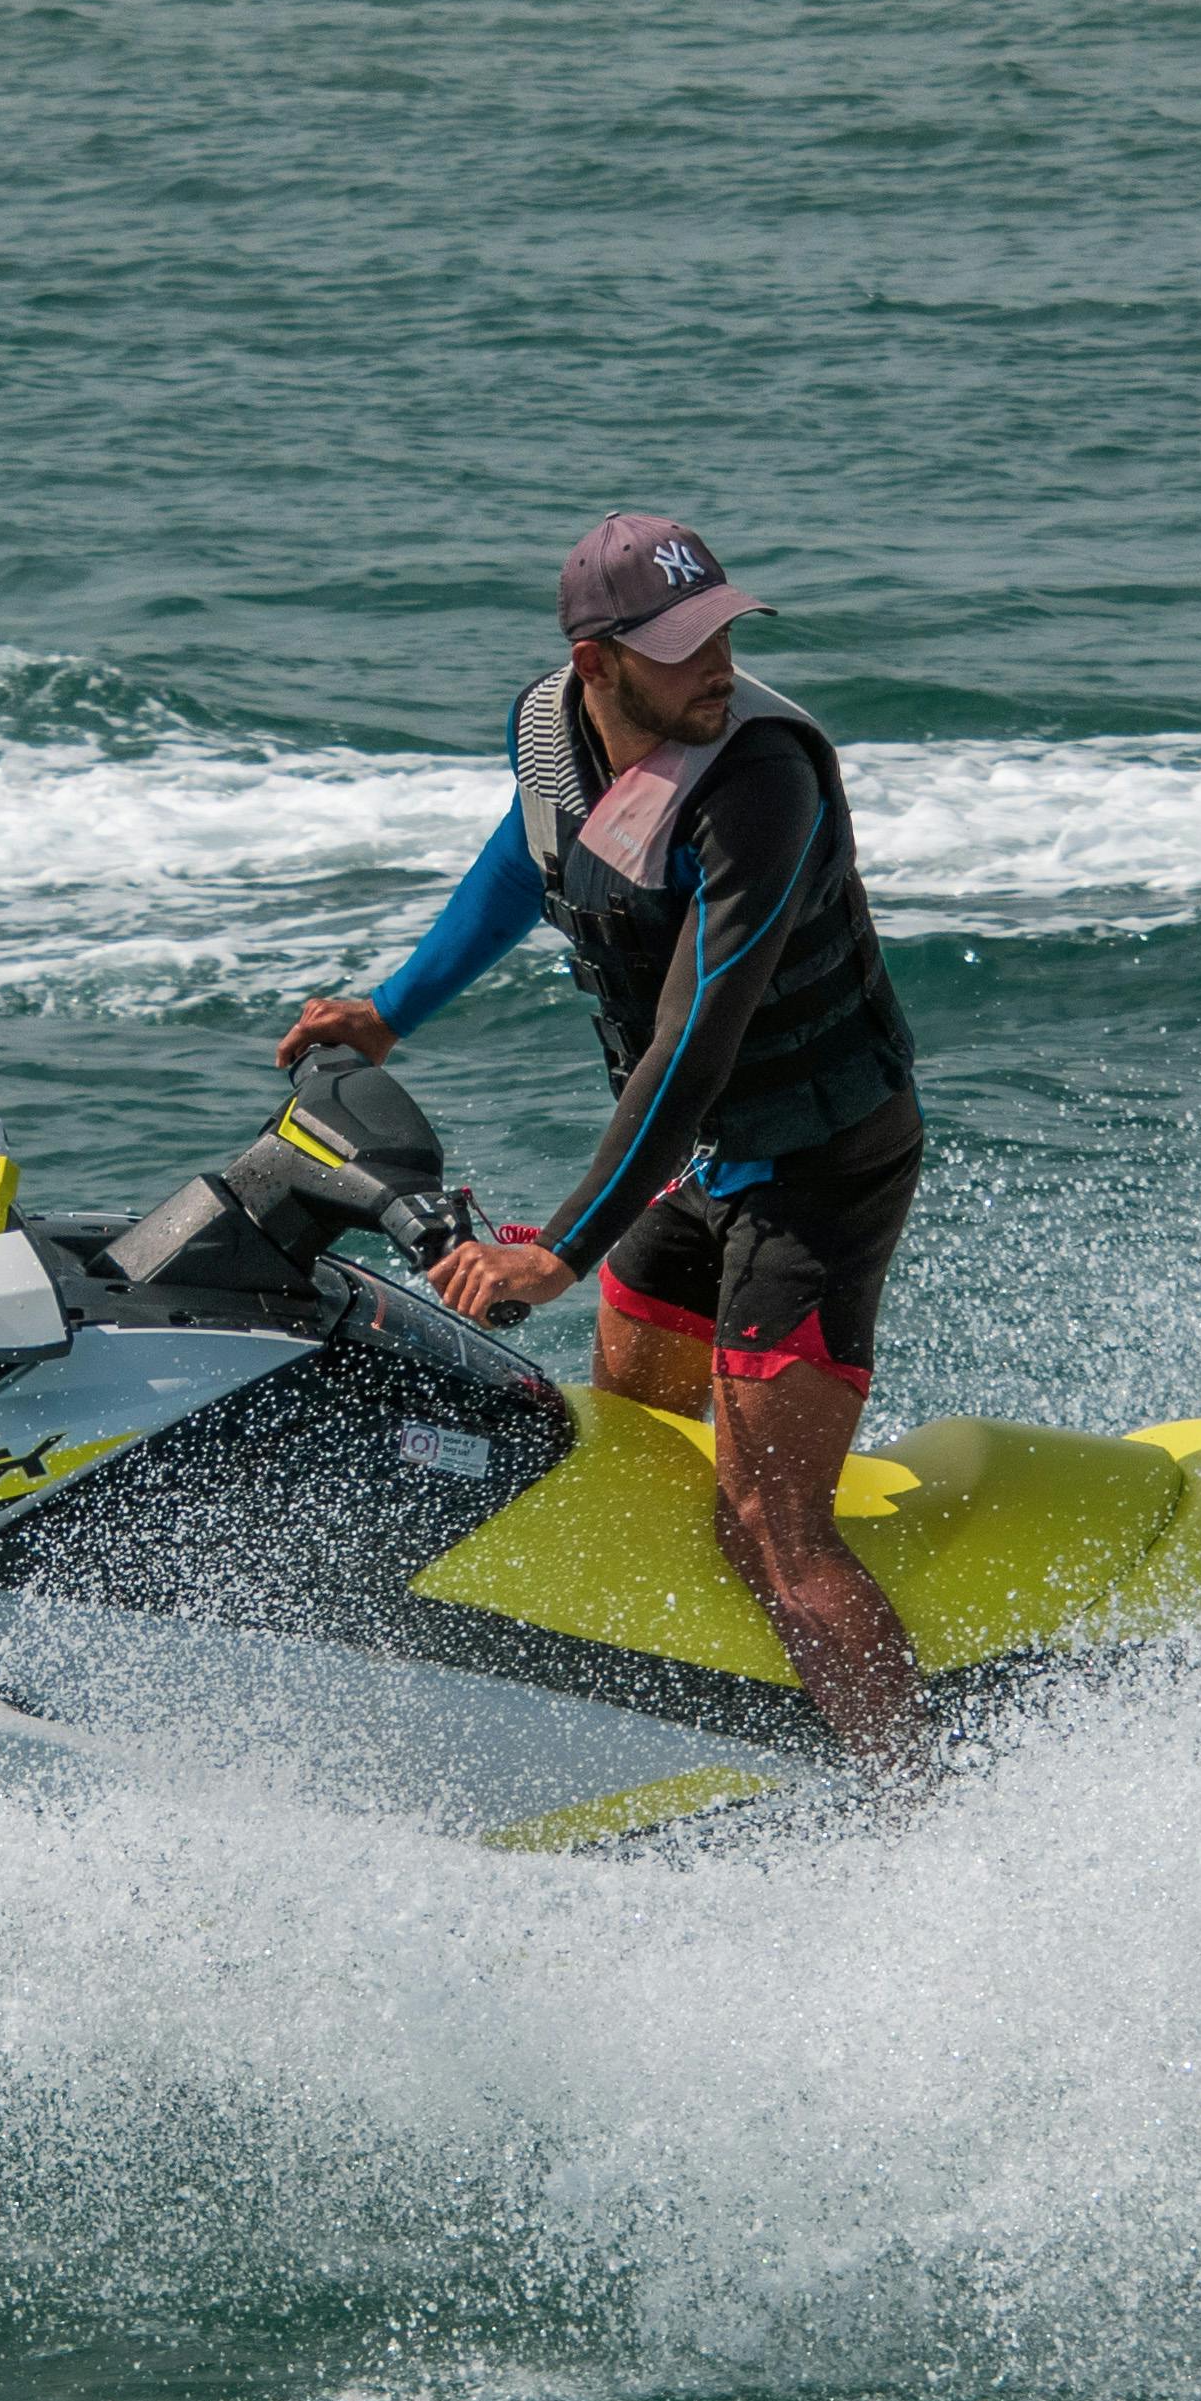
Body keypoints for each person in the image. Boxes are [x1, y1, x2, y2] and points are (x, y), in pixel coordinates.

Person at [279, 517, 932, 1759]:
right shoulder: (551, 728)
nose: (717, 664)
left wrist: (562, 1251)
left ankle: (922, 1805)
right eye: (684, 646)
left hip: (821, 1164)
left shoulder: (759, 779)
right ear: (598, 663)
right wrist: (391, 1011)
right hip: (693, 1163)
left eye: (724, 630)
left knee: (766, 1521)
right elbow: (529, 859)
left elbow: (697, 1037)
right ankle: (704, 1721)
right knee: (635, 1443)